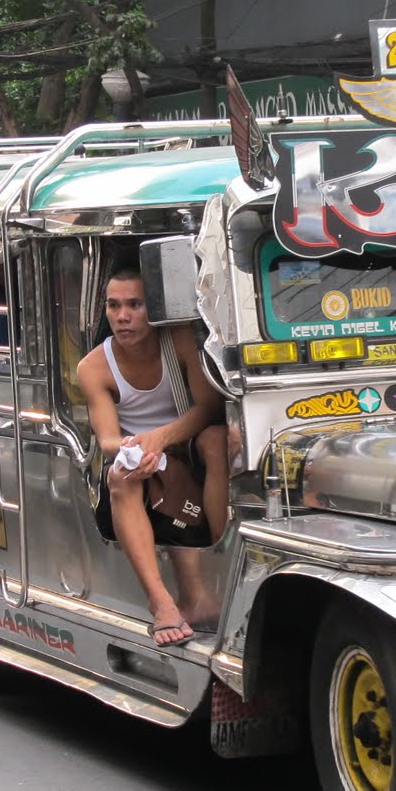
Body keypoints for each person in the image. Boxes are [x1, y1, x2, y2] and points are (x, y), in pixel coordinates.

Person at [77, 268, 227, 646]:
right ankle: (162, 603)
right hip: (138, 456)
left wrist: (162, 438)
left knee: (218, 440)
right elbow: (108, 439)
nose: (122, 316)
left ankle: (219, 563)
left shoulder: (177, 340)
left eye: (134, 305)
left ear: (153, 309)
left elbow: (208, 407)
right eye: (114, 306)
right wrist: (137, 449)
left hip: (186, 440)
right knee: (120, 477)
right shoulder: (93, 366)